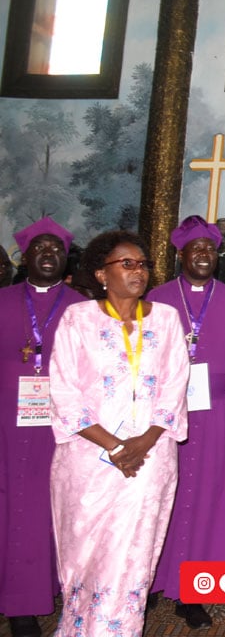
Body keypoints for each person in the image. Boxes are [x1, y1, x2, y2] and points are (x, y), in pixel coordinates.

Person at [48, 230, 190, 637]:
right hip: (88, 463)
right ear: (101, 273)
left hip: (150, 460)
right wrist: (114, 446)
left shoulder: (165, 319)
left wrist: (140, 444)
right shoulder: (78, 319)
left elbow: (174, 385)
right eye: (126, 263)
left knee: (132, 560)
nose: (138, 271)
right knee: (87, 558)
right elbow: (64, 391)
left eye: (143, 264)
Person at [148, 216, 225, 630]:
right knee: (162, 499)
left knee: (213, 501)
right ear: (181, 254)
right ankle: (152, 581)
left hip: (219, 415)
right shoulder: (157, 299)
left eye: (210, 250)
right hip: (163, 417)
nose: (203, 256)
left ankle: (195, 590)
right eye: (195, 249)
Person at [0, 218, 86, 637]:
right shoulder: (1, 301)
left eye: (56, 249)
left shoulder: (82, 308)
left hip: (58, 426)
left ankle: (33, 598)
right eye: (40, 248)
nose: (48, 254)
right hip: (3, 420)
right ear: (25, 257)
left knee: (44, 510)